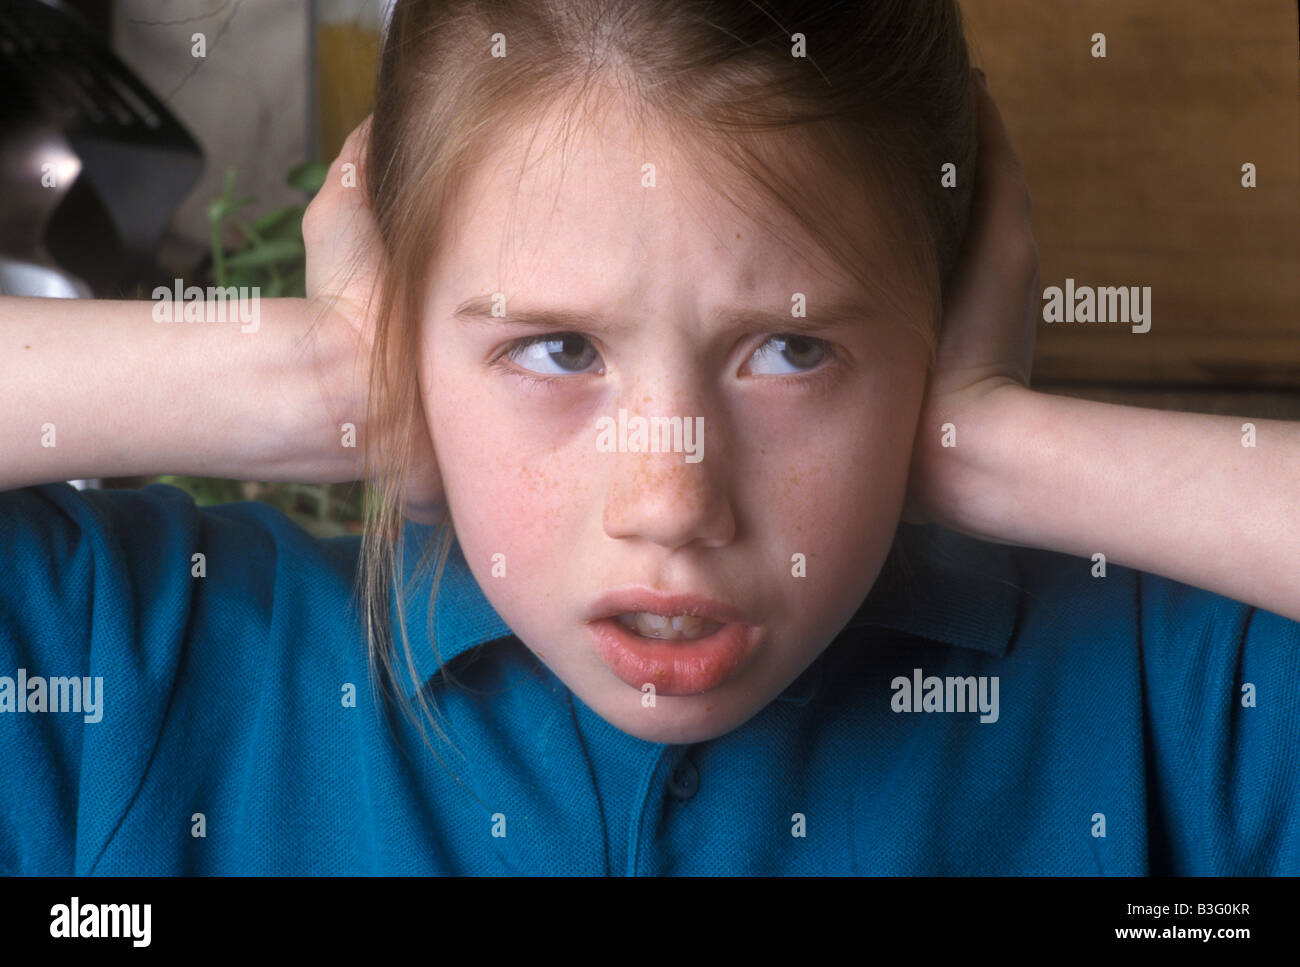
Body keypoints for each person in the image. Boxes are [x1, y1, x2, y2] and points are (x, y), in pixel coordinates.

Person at [1, 0, 1296, 875]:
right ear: (407, 328)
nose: (672, 501)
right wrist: (324, 373)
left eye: (792, 349)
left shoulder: (1170, 706)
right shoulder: (144, 666)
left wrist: (990, 448)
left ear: (947, 314)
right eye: (556, 349)